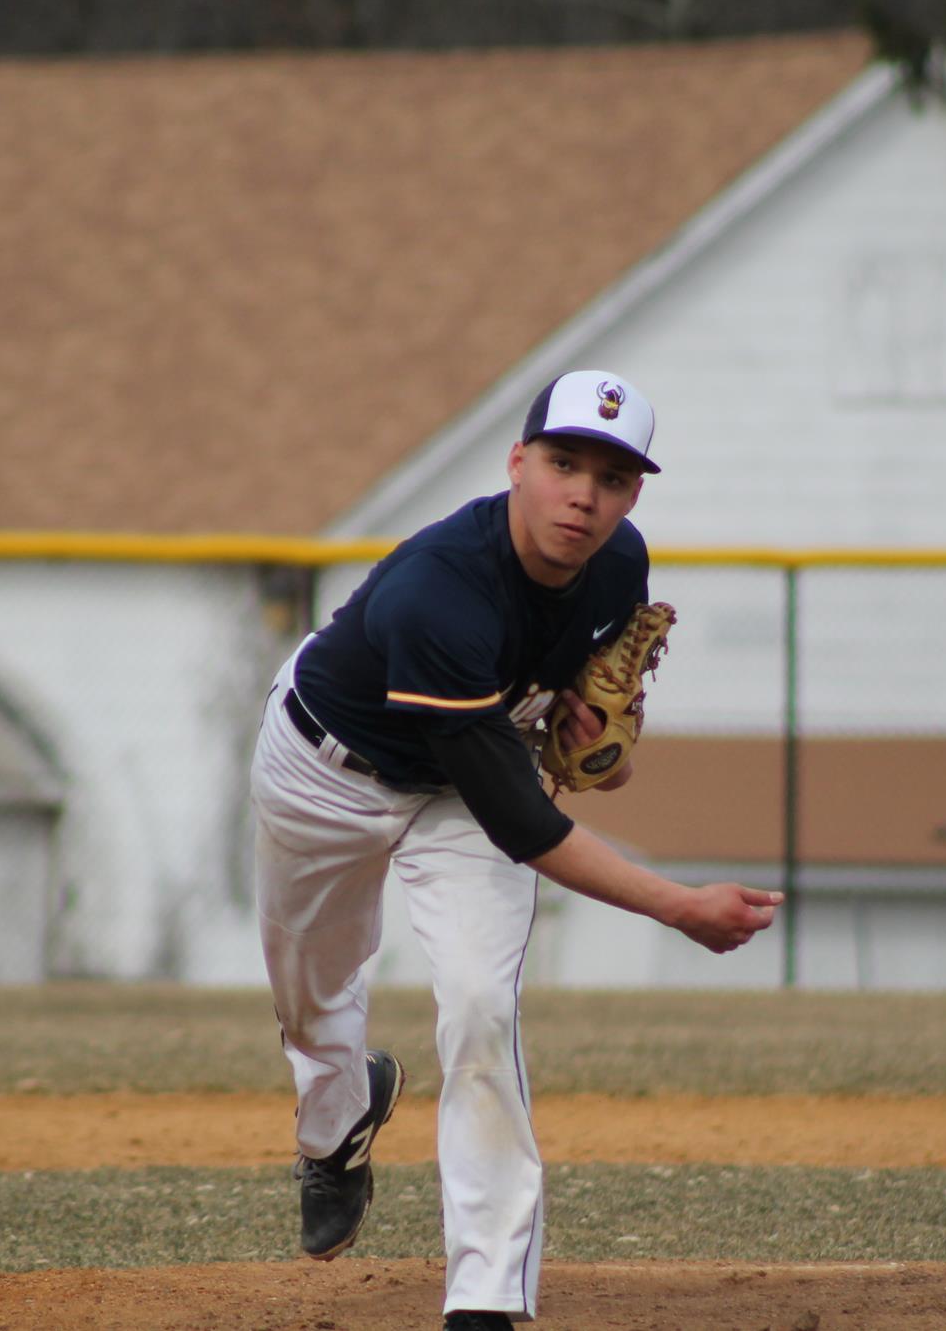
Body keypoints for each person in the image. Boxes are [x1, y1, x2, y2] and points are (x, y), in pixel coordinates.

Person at [251, 371, 782, 1329]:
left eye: (613, 477)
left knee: (480, 1006)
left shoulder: (620, 568)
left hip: (461, 788)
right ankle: (335, 1123)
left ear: (633, 497)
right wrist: (679, 905)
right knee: (311, 996)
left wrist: (592, 745)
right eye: (564, 462)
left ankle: (485, 1299)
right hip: (322, 770)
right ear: (517, 464)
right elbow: (526, 825)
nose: (584, 493)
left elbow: (584, 763)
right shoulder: (438, 588)